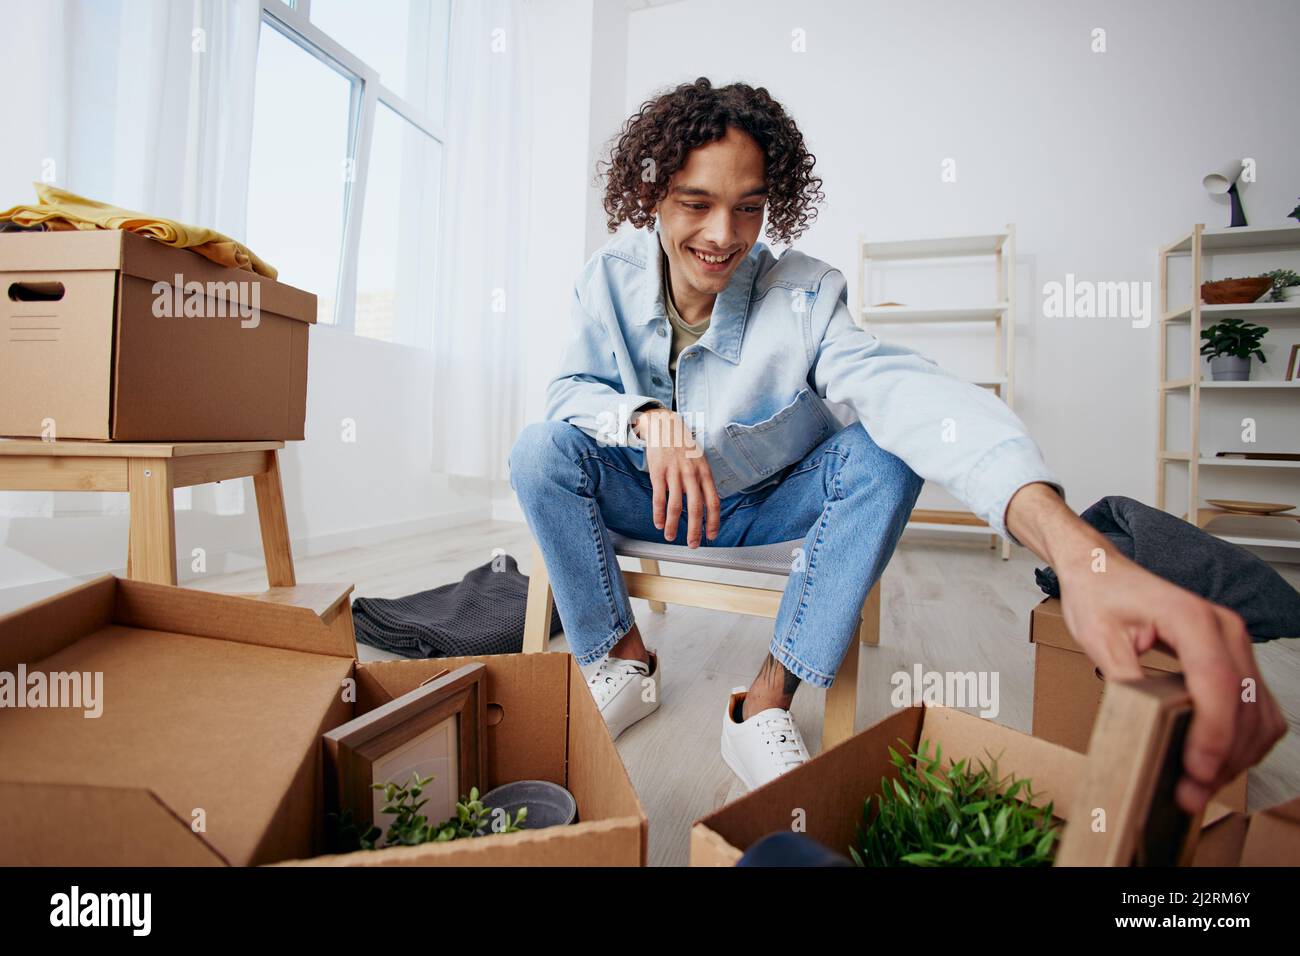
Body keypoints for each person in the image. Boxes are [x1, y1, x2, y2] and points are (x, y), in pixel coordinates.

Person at [509, 77, 1284, 806]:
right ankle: (623, 657)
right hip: (652, 497)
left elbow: (908, 394)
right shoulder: (603, 277)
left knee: (885, 452)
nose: (723, 235)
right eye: (694, 203)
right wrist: (647, 418)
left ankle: (765, 701)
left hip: (766, 507)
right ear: (650, 196)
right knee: (538, 449)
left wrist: (1082, 557)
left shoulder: (806, 293)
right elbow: (568, 392)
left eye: (749, 208)